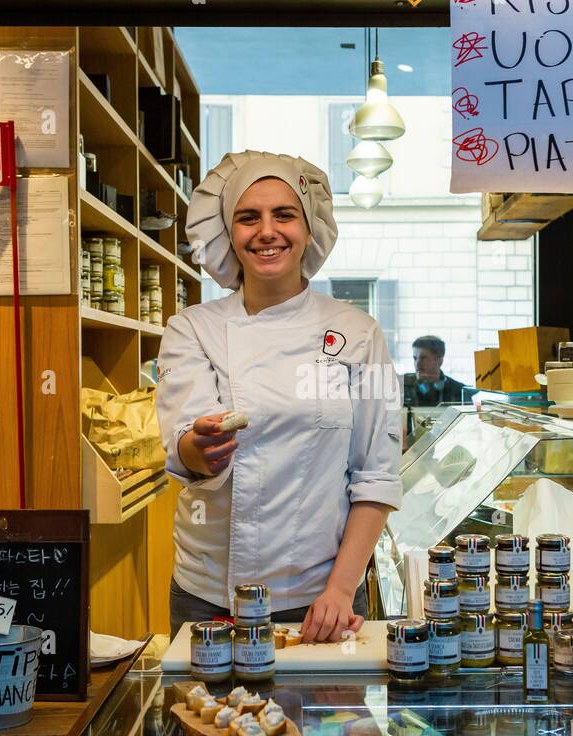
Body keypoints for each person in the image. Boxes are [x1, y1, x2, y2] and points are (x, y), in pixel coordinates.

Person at [158, 150, 402, 642]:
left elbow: (376, 474)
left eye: (284, 215)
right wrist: (199, 449)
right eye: (248, 218)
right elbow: (183, 445)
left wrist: (339, 590)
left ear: (309, 229)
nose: (266, 231)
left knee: (323, 721)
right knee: (211, 719)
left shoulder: (359, 333)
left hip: (323, 598)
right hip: (209, 593)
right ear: (229, 234)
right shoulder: (191, 329)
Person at [403, 335, 466, 407]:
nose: (417, 364)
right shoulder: (403, 387)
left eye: (423, 358)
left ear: (439, 360)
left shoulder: (459, 391)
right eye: (415, 358)